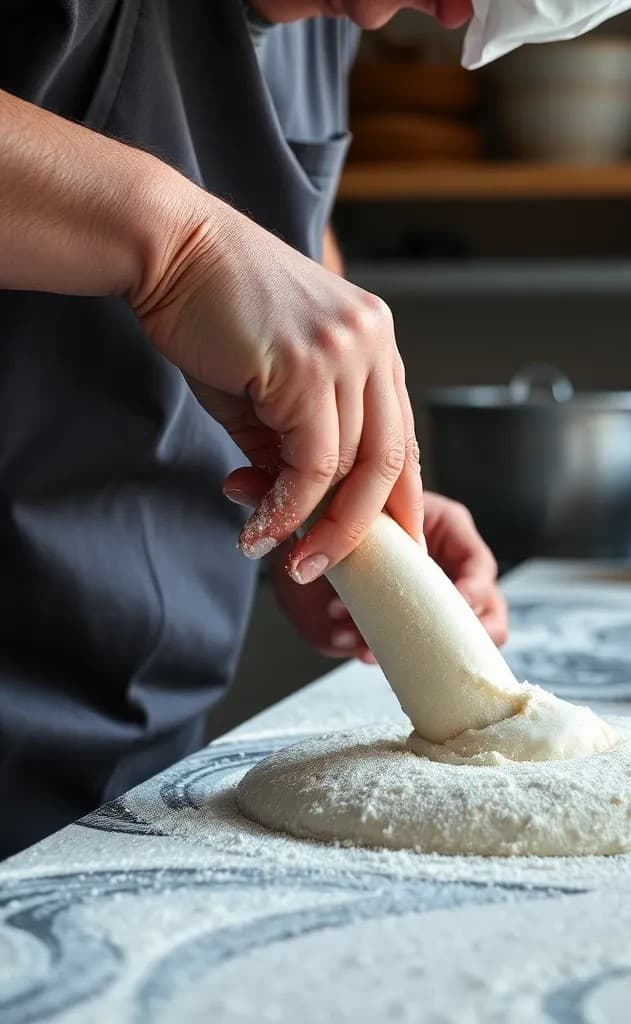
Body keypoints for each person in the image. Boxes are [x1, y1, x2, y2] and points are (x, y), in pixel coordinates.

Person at [0, 0, 507, 859]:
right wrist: (183, 244)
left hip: (138, 750)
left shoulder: (336, 17)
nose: (417, 16)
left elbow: (291, 235)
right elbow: (212, 245)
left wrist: (333, 490)